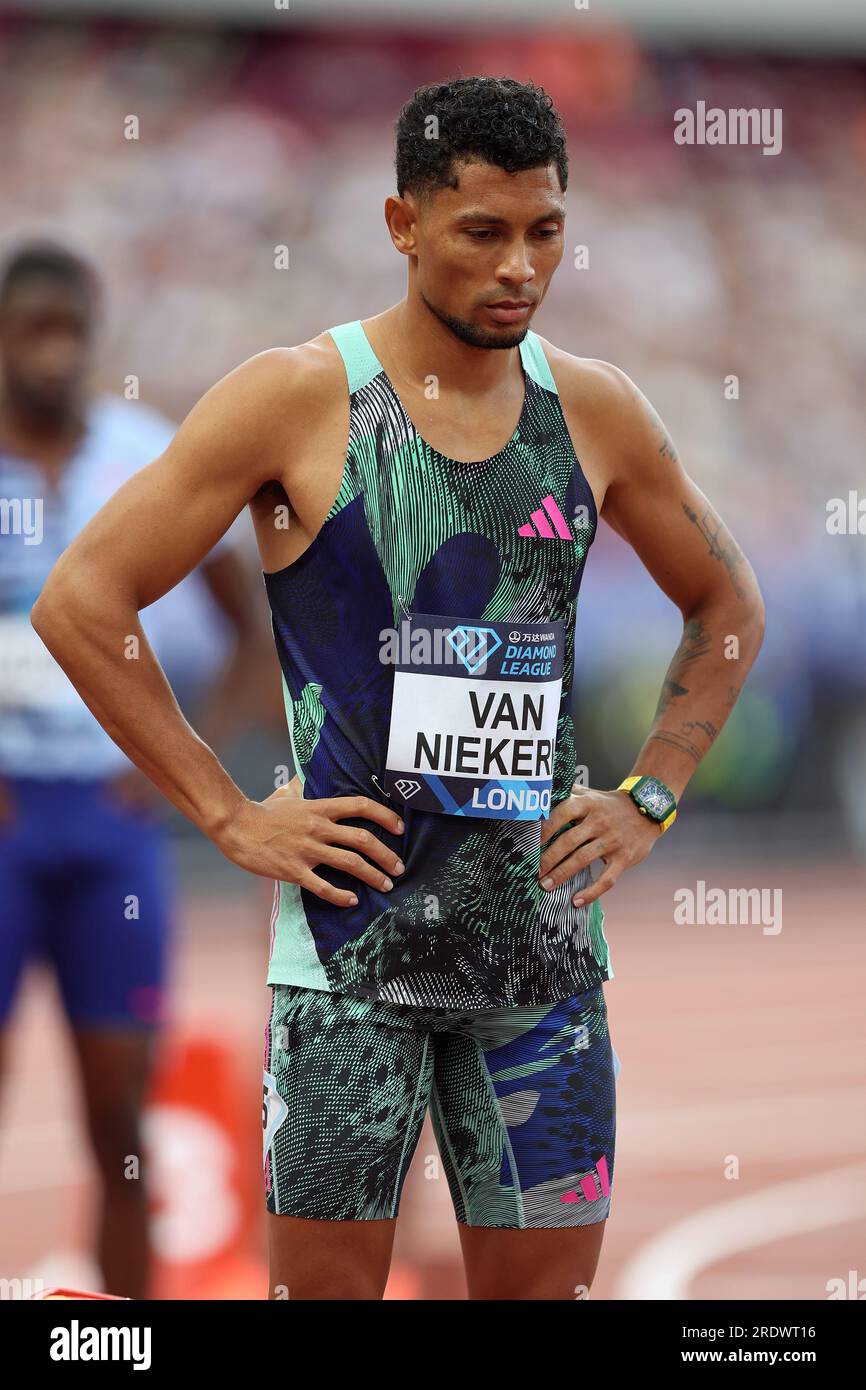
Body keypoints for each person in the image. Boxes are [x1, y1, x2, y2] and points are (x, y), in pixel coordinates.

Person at [31, 78, 765, 1301]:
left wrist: (650, 792)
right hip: (348, 964)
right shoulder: (297, 397)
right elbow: (83, 600)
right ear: (401, 221)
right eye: (481, 232)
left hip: (539, 967)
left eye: (544, 232)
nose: (518, 267)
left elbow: (725, 603)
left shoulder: (592, 407)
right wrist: (223, 813)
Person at [0, 242, 268, 1299]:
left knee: (120, 1117)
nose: (57, 351)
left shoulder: (142, 452)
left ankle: (120, 1335)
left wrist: (172, 768)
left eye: (73, 329)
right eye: (34, 330)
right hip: (6, 817)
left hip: (110, 827)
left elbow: (251, 631)